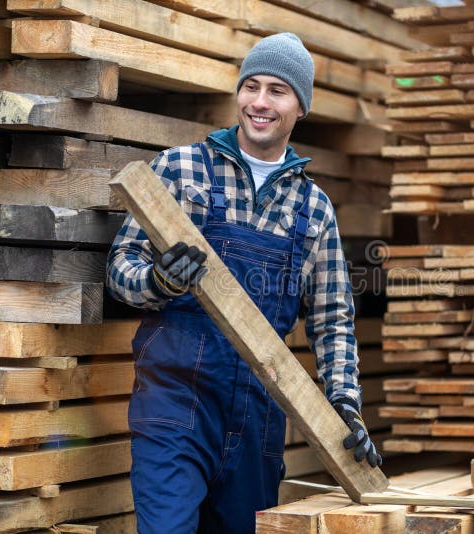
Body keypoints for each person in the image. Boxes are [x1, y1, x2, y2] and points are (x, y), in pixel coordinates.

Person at [106, 32, 381, 533]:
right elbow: (120, 268)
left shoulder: (312, 208)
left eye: (277, 91)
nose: (259, 102)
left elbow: (332, 321)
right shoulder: (179, 169)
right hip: (174, 406)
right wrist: (159, 281)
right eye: (250, 86)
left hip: (257, 421)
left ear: (301, 106)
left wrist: (345, 406)